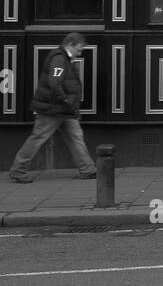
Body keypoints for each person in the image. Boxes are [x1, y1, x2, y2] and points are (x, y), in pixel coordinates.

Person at [9, 32, 97, 183]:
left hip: (65, 110)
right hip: (53, 109)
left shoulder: (65, 59)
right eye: (79, 49)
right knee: (38, 138)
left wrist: (69, 105)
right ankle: (18, 170)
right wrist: (66, 101)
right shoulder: (59, 58)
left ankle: (88, 169)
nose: (80, 53)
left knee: (76, 137)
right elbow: (54, 84)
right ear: (70, 44)